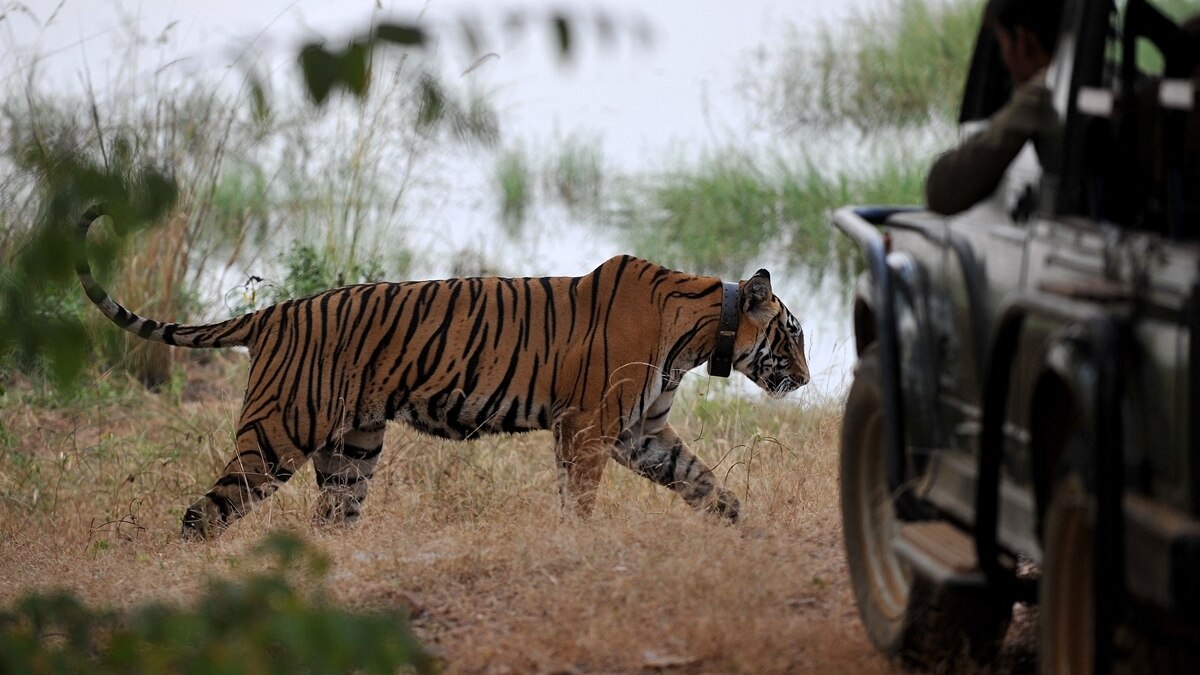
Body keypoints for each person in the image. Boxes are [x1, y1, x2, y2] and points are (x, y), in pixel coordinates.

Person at [925, 0, 1064, 216]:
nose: (1004, 59)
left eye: (1002, 44)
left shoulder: (1042, 95)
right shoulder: (1100, 85)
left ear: (1023, 41)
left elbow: (942, 191)